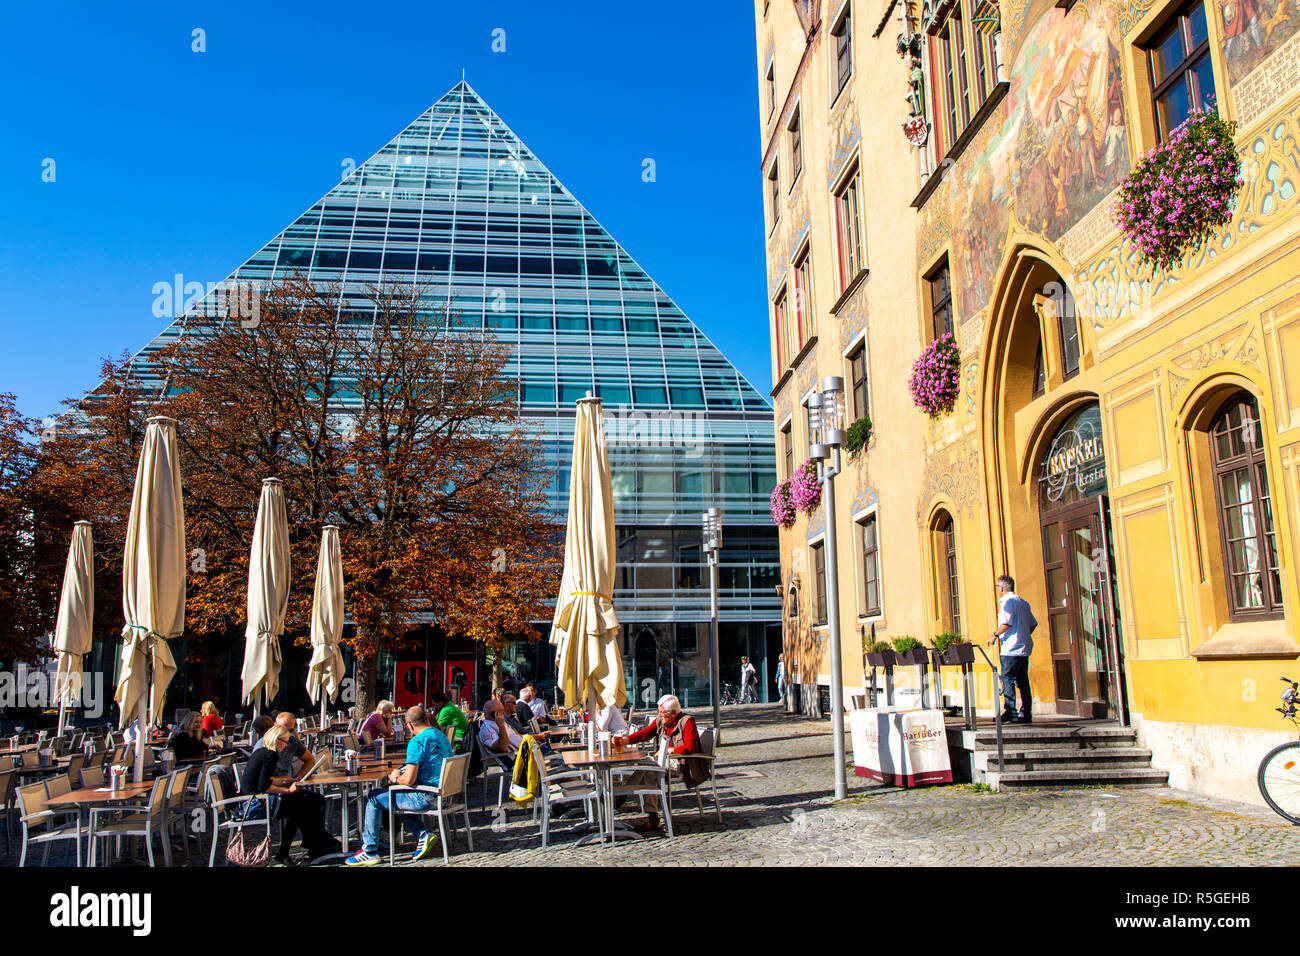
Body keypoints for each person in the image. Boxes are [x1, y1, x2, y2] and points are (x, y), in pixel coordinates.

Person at [345, 706, 454, 866]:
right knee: (397, 796)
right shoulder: (440, 734)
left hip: (427, 796)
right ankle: (421, 835)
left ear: (408, 724)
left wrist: (396, 778)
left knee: (374, 797)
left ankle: (369, 851)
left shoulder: (417, 741)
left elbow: (409, 780)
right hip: (445, 794)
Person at [243, 724, 340, 864]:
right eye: (285, 742)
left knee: (305, 802)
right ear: (277, 740)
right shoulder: (270, 755)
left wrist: (284, 781)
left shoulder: (262, 752)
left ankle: (313, 843)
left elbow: (262, 781)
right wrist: (287, 790)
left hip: (253, 800)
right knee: (301, 806)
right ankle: (303, 847)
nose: (286, 746)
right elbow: (263, 786)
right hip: (256, 804)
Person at [622, 694, 703, 832]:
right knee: (647, 767)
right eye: (658, 712)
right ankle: (650, 815)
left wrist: (669, 751)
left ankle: (624, 797)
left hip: (680, 762)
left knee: (649, 769)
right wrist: (626, 740)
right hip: (663, 761)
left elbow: (689, 747)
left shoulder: (687, 721)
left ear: (673, 713)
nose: (659, 715)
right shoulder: (661, 720)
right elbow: (644, 734)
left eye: (662, 712)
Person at [987, 574, 1038, 724]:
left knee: (1007, 679)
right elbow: (1033, 624)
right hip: (1024, 647)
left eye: (997, 587)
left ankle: (1010, 711)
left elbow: (1007, 622)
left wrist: (994, 635)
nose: (997, 590)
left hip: (1011, 647)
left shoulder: (1007, 602)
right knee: (1023, 680)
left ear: (1001, 588)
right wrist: (1023, 634)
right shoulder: (1023, 602)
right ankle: (1026, 713)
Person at [252, 712, 316, 780]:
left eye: (290, 730)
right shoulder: (263, 745)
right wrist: (285, 786)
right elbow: (259, 780)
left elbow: (310, 759)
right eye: (283, 729)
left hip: (287, 785)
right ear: (275, 725)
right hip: (270, 787)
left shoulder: (292, 741)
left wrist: (297, 778)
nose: (287, 733)